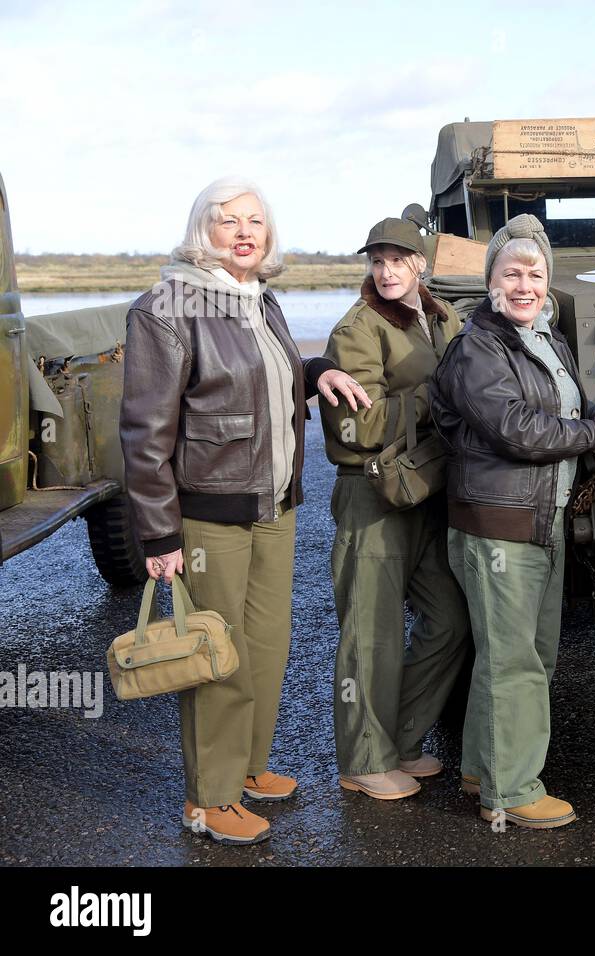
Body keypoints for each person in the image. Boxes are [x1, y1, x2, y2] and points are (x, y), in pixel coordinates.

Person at [120, 176, 369, 845]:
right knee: (217, 655)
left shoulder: (260, 299)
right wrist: (158, 532)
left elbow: (267, 374)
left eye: (254, 220)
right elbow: (145, 433)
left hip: (274, 503)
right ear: (202, 231)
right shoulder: (166, 306)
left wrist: (316, 369)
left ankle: (248, 769)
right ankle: (209, 800)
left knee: (266, 646)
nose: (243, 231)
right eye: (227, 220)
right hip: (208, 513)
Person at [432, 213, 595, 829]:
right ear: (491, 279)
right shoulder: (477, 347)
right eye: (511, 272)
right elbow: (517, 429)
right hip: (500, 525)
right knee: (513, 661)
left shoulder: (544, 337)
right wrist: (589, 433)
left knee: (523, 656)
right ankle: (511, 792)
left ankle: (479, 769)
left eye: (535, 274)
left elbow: (567, 399)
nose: (525, 285)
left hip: (538, 521)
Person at [319, 217, 470, 800]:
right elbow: (359, 424)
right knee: (369, 633)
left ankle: (400, 740)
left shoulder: (443, 318)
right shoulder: (358, 329)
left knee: (451, 620)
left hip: (426, 490)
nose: (384, 272)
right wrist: (438, 397)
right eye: (376, 261)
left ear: (421, 264)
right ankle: (363, 759)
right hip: (372, 494)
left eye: (397, 261)